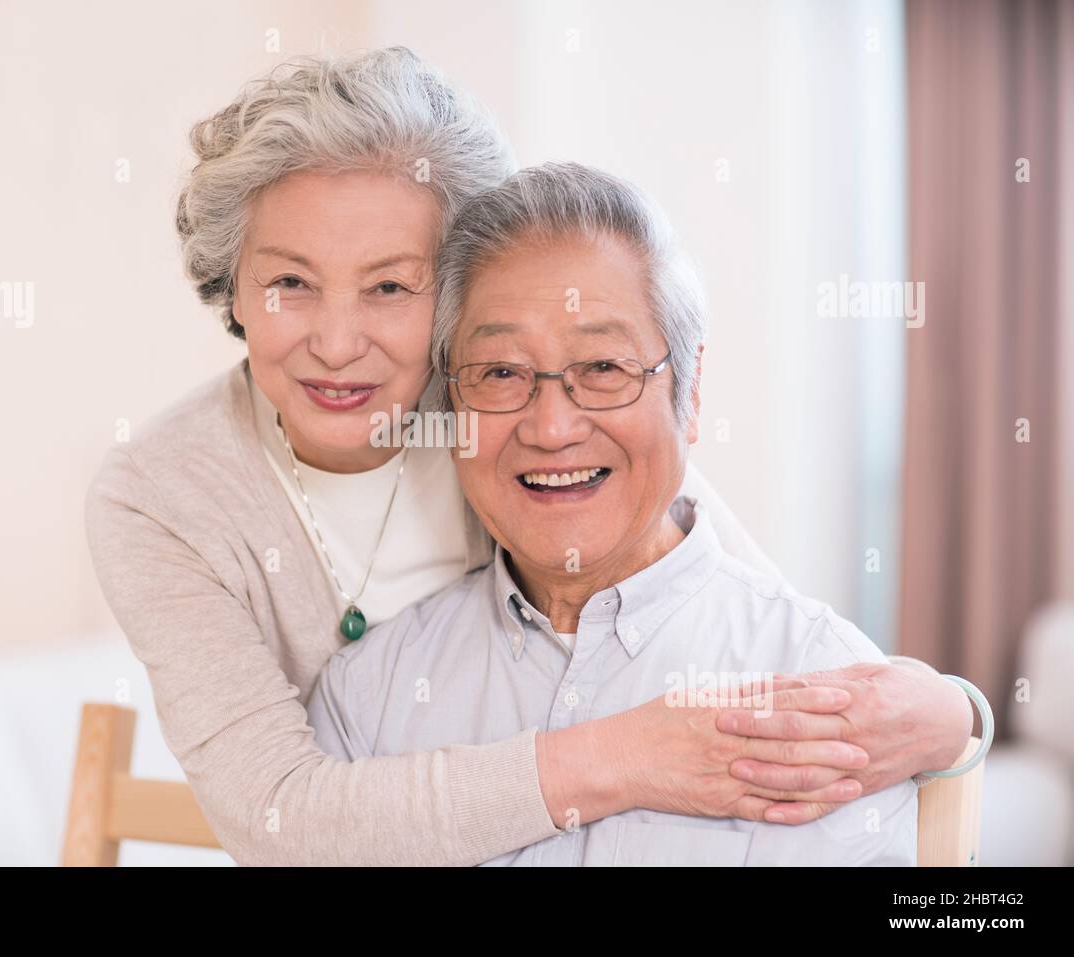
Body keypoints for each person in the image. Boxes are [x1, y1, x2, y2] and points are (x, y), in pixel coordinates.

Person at [85, 48, 972, 866]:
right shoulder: (163, 494)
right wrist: (627, 756)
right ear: (231, 288)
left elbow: (723, 595)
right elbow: (278, 814)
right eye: (290, 283)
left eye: (391, 285)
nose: (337, 341)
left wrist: (957, 714)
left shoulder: (502, 400)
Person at [308, 163, 918, 865]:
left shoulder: (823, 697)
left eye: (603, 367)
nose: (552, 426)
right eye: (501, 372)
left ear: (688, 397)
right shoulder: (368, 697)